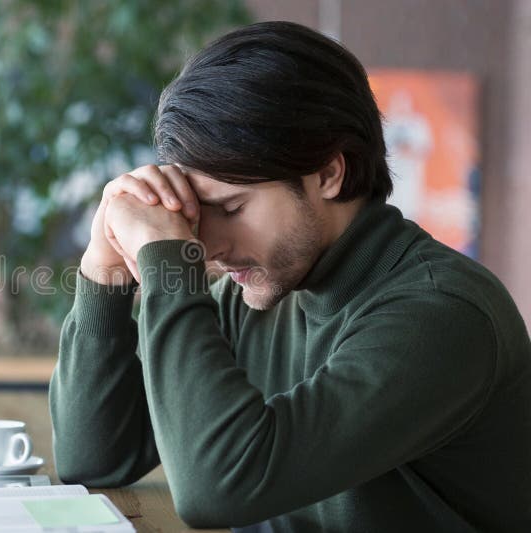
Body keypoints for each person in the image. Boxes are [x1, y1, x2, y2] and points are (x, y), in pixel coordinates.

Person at [49, 21, 531, 532]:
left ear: (329, 172)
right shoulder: (259, 293)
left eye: (231, 207)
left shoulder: (441, 315)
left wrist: (169, 264)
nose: (208, 246)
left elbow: (219, 489)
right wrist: (103, 270)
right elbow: (95, 458)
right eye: (196, 212)